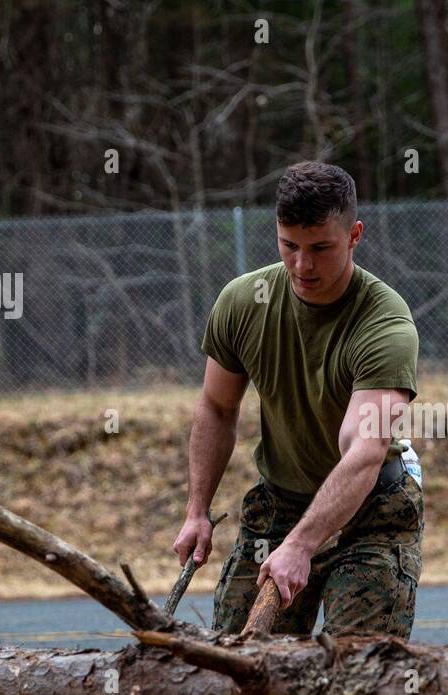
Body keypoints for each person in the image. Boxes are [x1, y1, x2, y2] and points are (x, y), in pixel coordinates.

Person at [171, 161, 423, 638]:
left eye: (321, 248)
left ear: (354, 236)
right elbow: (217, 408)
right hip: (279, 504)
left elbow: (363, 451)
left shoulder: (385, 323)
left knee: (360, 664)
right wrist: (196, 510)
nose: (303, 266)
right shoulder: (243, 302)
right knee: (235, 655)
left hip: (371, 512)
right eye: (289, 246)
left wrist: (302, 545)